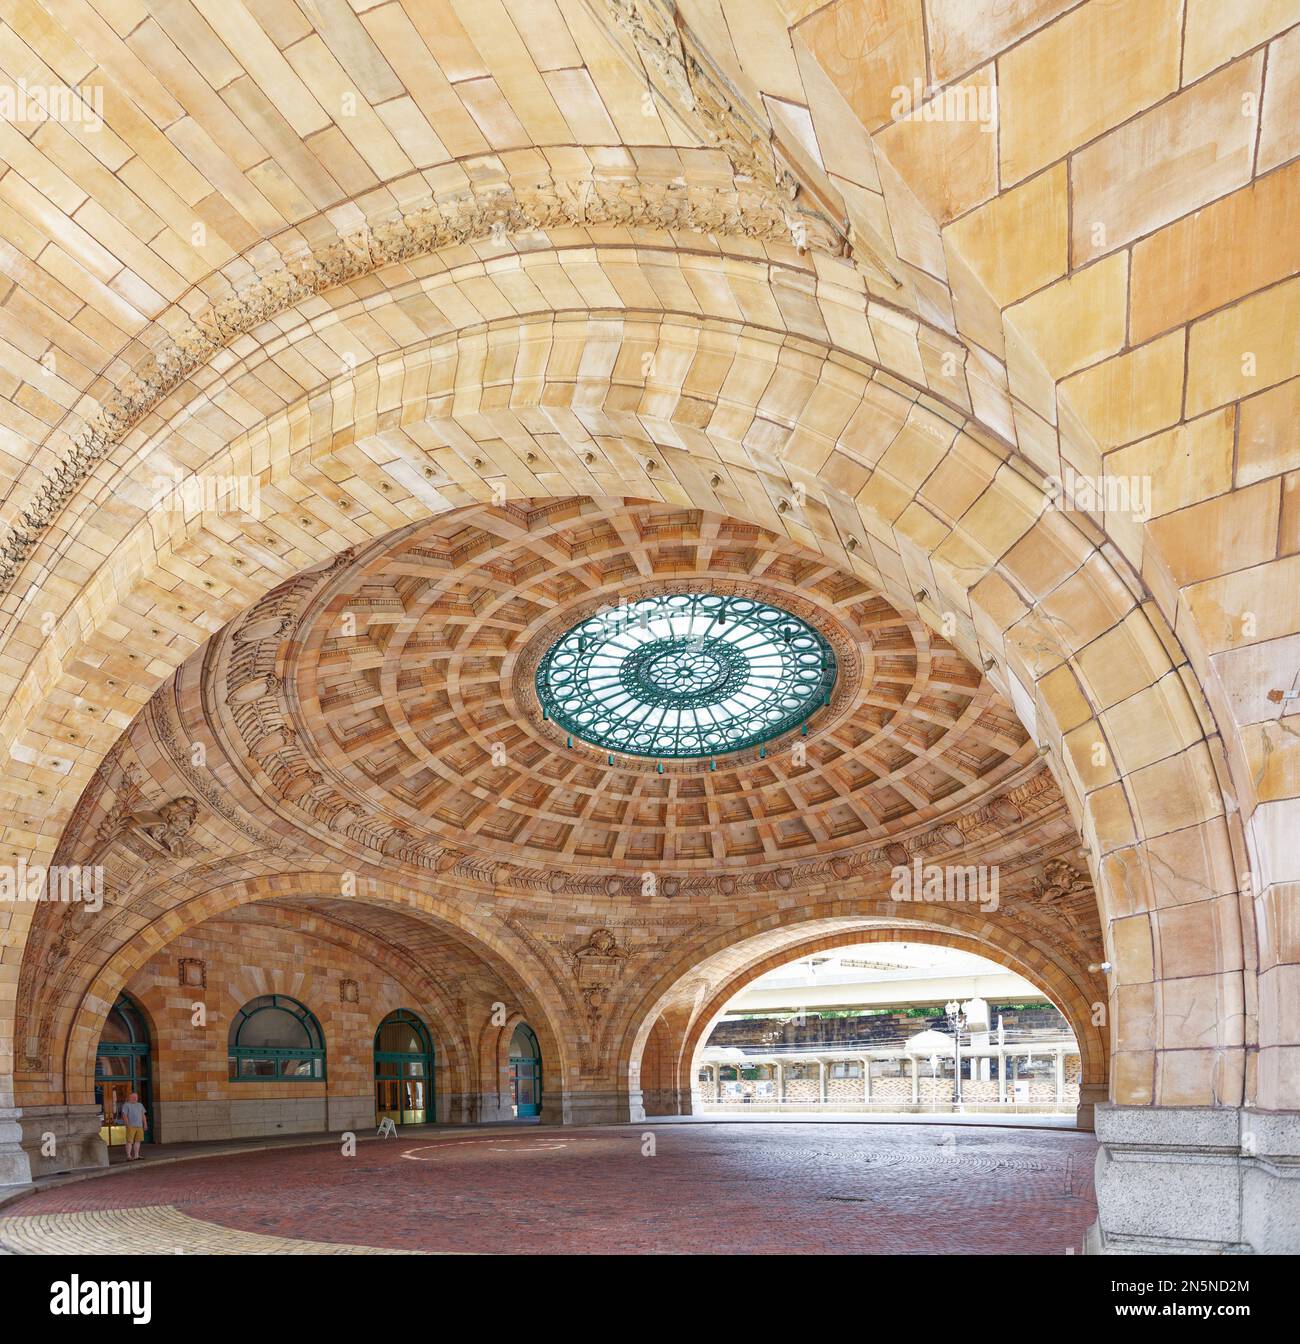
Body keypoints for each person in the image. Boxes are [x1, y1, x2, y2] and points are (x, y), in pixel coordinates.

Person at [120, 1092, 147, 1160]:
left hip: (139, 1126)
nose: (135, 1098)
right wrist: (127, 1124)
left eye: (136, 1097)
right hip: (131, 1126)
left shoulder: (140, 1105)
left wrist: (145, 1123)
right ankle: (129, 1156)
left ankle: (136, 1155)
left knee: (138, 1141)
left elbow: (143, 1115)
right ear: (129, 1098)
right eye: (133, 1097)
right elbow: (124, 1115)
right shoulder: (126, 1105)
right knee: (129, 1141)